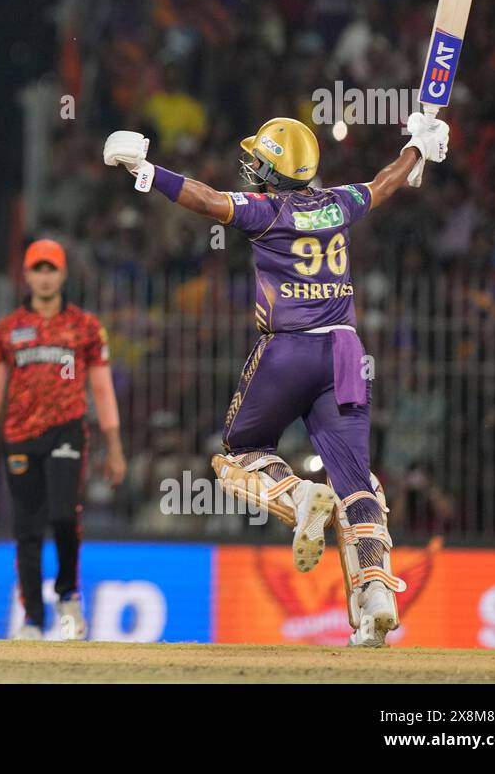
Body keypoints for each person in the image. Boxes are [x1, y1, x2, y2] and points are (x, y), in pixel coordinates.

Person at [102, 110, 450, 647]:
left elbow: (206, 199)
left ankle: (296, 500)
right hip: (345, 351)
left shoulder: (265, 211)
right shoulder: (338, 202)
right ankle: (377, 593)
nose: (252, 168)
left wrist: (146, 171)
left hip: (288, 350)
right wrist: (417, 150)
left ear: (274, 168)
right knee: (359, 483)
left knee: (237, 454)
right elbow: (384, 185)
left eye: (259, 160)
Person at [0, 239, 127, 640]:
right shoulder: (6, 331)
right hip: (19, 436)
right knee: (26, 528)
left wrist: (114, 446)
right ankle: (33, 619)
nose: (44, 277)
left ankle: (68, 595)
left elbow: (102, 389)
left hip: (68, 430)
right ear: (26, 275)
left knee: (62, 514)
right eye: (37, 269)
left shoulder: (86, 327)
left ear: (63, 274)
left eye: (51, 269)